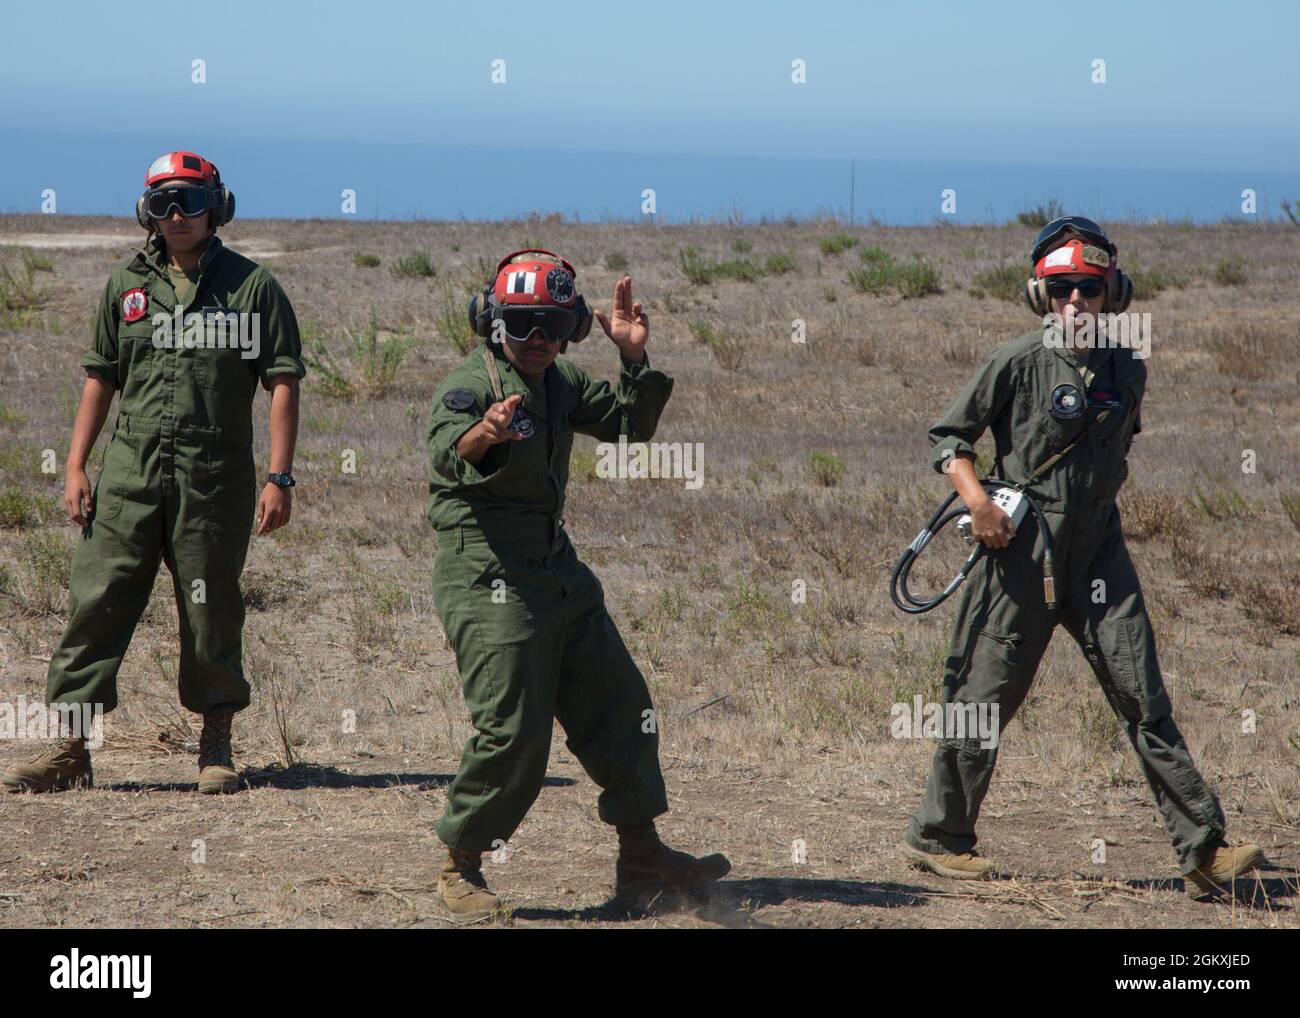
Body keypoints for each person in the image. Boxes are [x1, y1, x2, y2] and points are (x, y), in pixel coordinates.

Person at [898, 216, 1264, 898]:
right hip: (1020, 553)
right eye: (1061, 288)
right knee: (981, 697)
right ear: (1041, 295)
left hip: (1099, 553)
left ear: (1111, 293)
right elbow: (948, 437)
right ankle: (939, 836)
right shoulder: (1016, 361)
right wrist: (978, 501)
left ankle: (1203, 851)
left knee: (1142, 693)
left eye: (1089, 289)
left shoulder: (1129, 368)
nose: (1075, 302)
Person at [424, 249, 729, 920]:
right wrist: (486, 432)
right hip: (489, 575)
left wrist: (633, 360)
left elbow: (628, 426)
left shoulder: (558, 380)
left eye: (555, 327)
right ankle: (461, 864)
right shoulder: (471, 383)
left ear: (572, 332)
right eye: (525, 324)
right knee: (513, 731)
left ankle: (643, 856)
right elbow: (448, 455)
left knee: (621, 704)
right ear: (494, 319)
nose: (539, 340)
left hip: (557, 570)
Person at [1, 151, 305, 796]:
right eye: (164, 202)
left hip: (214, 475)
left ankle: (215, 746)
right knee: (98, 599)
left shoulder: (252, 288)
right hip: (128, 472)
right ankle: (72, 748)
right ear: (147, 210)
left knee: (210, 607)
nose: (176, 216)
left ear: (217, 207)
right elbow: (99, 377)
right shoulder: (125, 286)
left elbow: (281, 382)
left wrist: (280, 479)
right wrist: (77, 465)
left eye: (190, 202)